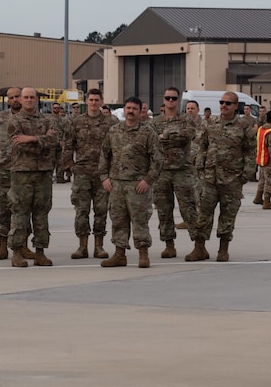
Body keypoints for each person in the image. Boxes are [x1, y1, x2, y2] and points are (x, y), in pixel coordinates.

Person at [99, 97, 164, 268]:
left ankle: (143, 254)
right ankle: (119, 254)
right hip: (116, 184)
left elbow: (157, 159)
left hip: (138, 185)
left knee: (140, 220)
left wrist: (148, 180)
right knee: (118, 220)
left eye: (135, 108)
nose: (131, 111)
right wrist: (104, 178)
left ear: (140, 111)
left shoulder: (148, 132)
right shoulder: (113, 131)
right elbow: (105, 155)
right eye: (128, 108)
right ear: (124, 109)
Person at [191, 93, 256, 262]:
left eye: (228, 103)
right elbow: (202, 147)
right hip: (210, 179)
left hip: (232, 180)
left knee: (228, 215)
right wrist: (200, 167)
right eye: (222, 102)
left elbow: (250, 151)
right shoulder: (211, 123)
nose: (223, 105)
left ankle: (223, 249)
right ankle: (199, 248)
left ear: (236, 106)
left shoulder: (243, 126)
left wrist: (246, 174)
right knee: (203, 214)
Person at [7, 88, 57, 267]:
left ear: (37, 100)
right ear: (20, 100)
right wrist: (42, 140)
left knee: (41, 213)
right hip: (22, 173)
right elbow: (19, 145)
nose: (29, 100)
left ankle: (40, 252)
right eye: (26, 97)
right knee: (20, 213)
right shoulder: (14, 120)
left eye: (32, 97)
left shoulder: (47, 119)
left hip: (43, 173)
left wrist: (31, 139)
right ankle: (17, 251)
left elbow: (54, 142)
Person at [63, 89, 113, 259]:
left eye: (96, 100)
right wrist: (70, 165)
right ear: (86, 101)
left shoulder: (110, 122)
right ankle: (82, 246)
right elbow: (68, 145)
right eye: (90, 100)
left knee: (101, 210)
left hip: (102, 173)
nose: (93, 103)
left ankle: (99, 246)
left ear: (102, 101)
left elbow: (115, 147)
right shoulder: (76, 122)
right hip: (82, 173)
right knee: (81, 210)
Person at [151, 87, 199, 258]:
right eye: (167, 98)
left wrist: (164, 135)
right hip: (161, 171)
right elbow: (150, 142)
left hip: (182, 171)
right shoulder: (154, 122)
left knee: (189, 209)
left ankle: (199, 245)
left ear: (179, 101)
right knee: (163, 210)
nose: (170, 101)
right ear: (163, 100)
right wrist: (170, 135)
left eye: (173, 98)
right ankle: (169, 244)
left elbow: (185, 136)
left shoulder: (187, 119)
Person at [0, 88, 21, 260]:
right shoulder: (0, 117)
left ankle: (22, 246)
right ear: (7, 100)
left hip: (23, 170)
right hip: (3, 169)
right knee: (1, 208)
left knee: (22, 209)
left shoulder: (31, 118)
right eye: (12, 97)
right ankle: (2, 245)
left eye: (17, 96)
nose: (15, 100)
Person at [254, 111, 271, 210]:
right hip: (269, 160)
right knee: (270, 180)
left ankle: (258, 197)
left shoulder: (261, 129)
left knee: (262, 179)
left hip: (261, 158)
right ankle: (267, 201)